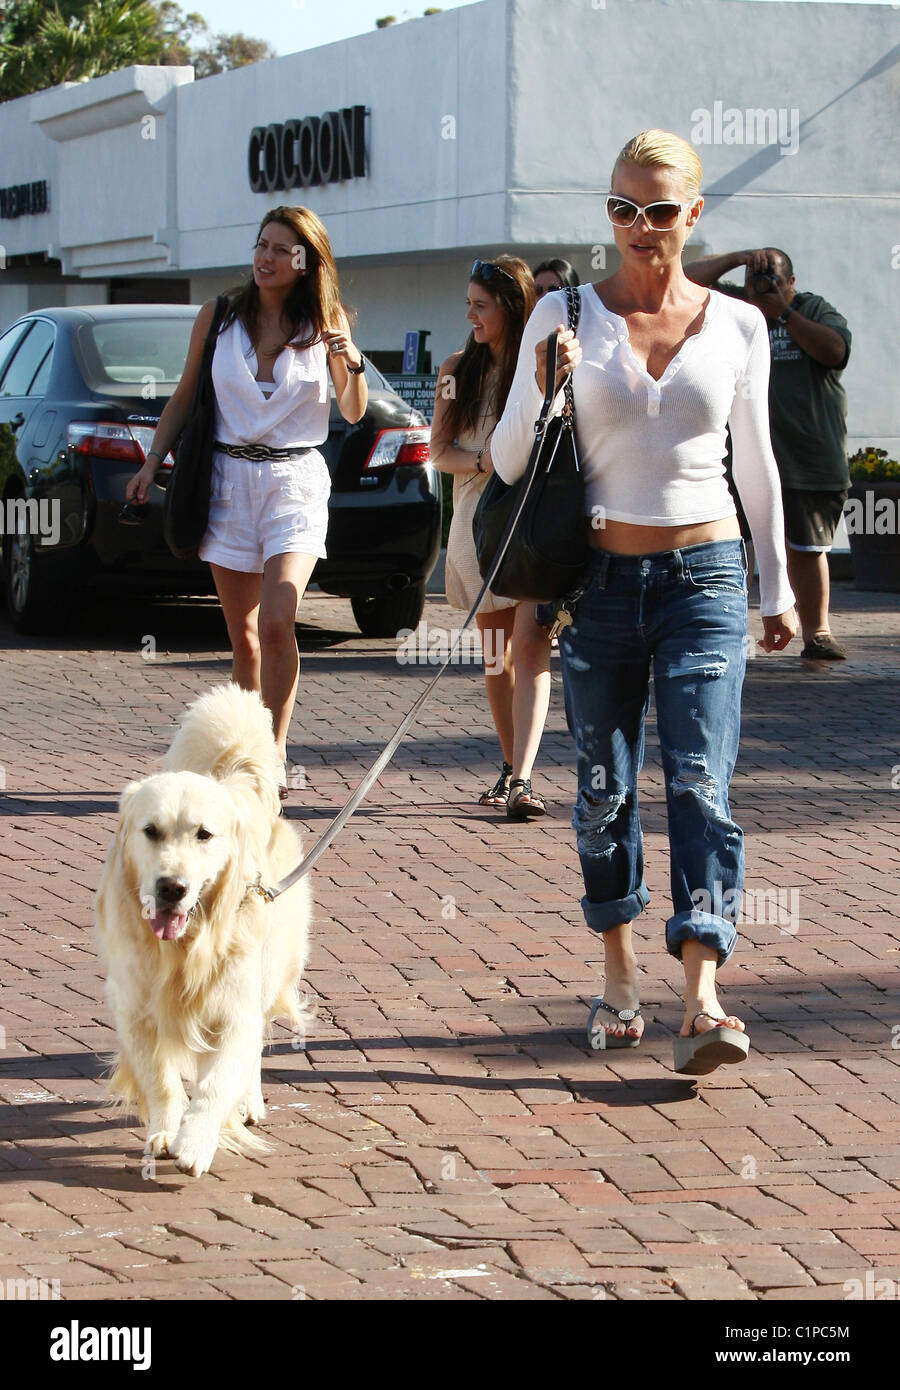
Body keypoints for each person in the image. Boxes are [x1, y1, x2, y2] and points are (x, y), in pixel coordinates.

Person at [490, 130, 798, 1073]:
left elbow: (756, 461)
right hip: (599, 581)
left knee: (702, 783)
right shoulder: (563, 313)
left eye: (659, 211)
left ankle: (702, 998)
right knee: (602, 790)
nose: (639, 228)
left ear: (693, 214)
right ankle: (620, 974)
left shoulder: (740, 325)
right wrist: (543, 388)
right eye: (622, 208)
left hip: (704, 576)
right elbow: (506, 459)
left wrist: (776, 586)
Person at [126, 205, 367, 795]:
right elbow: (184, 397)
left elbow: (354, 408)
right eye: (262, 243)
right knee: (246, 638)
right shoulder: (219, 316)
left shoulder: (325, 320)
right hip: (228, 482)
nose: (266, 257)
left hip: (295, 483)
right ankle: (246, 748)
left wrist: (348, 356)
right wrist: (152, 462)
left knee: (281, 619)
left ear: (307, 260)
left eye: (282, 249)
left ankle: (274, 751)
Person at [430, 256, 553, 819]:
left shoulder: (541, 364)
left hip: (533, 521)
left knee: (532, 645)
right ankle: (510, 766)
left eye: (481, 305)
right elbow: (439, 451)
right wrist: (488, 459)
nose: (471, 315)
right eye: (468, 304)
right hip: (479, 520)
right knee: (497, 654)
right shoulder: (459, 368)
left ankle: (523, 777)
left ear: (510, 307)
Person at [686, 248, 852, 660]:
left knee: (807, 546)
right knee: (730, 542)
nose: (761, 287)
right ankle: (732, 629)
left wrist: (784, 311)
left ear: (791, 283)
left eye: (772, 279)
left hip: (806, 453)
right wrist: (738, 258)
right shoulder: (735, 309)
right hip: (739, 453)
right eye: (754, 280)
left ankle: (819, 632)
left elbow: (835, 351)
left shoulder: (813, 308)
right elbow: (685, 280)